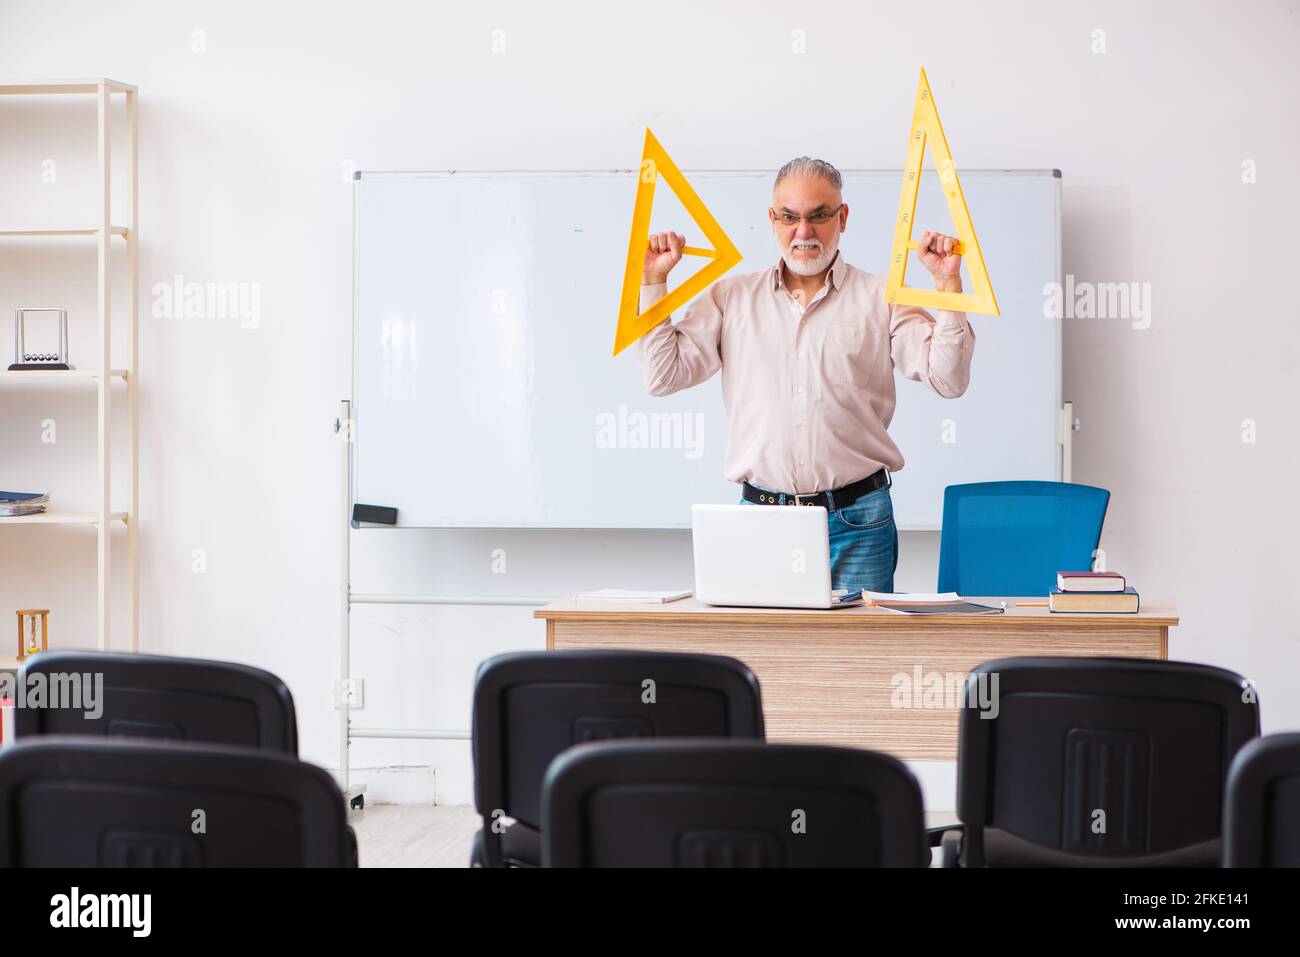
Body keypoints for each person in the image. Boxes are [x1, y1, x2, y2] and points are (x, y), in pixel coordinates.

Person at [636, 156, 974, 593]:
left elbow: (948, 380)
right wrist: (652, 282)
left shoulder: (882, 298)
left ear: (843, 218)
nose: (804, 231)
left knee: (855, 662)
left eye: (819, 216)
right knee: (767, 660)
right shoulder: (730, 297)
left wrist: (948, 288)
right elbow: (663, 376)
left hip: (859, 521)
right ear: (773, 221)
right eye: (790, 217)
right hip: (762, 521)